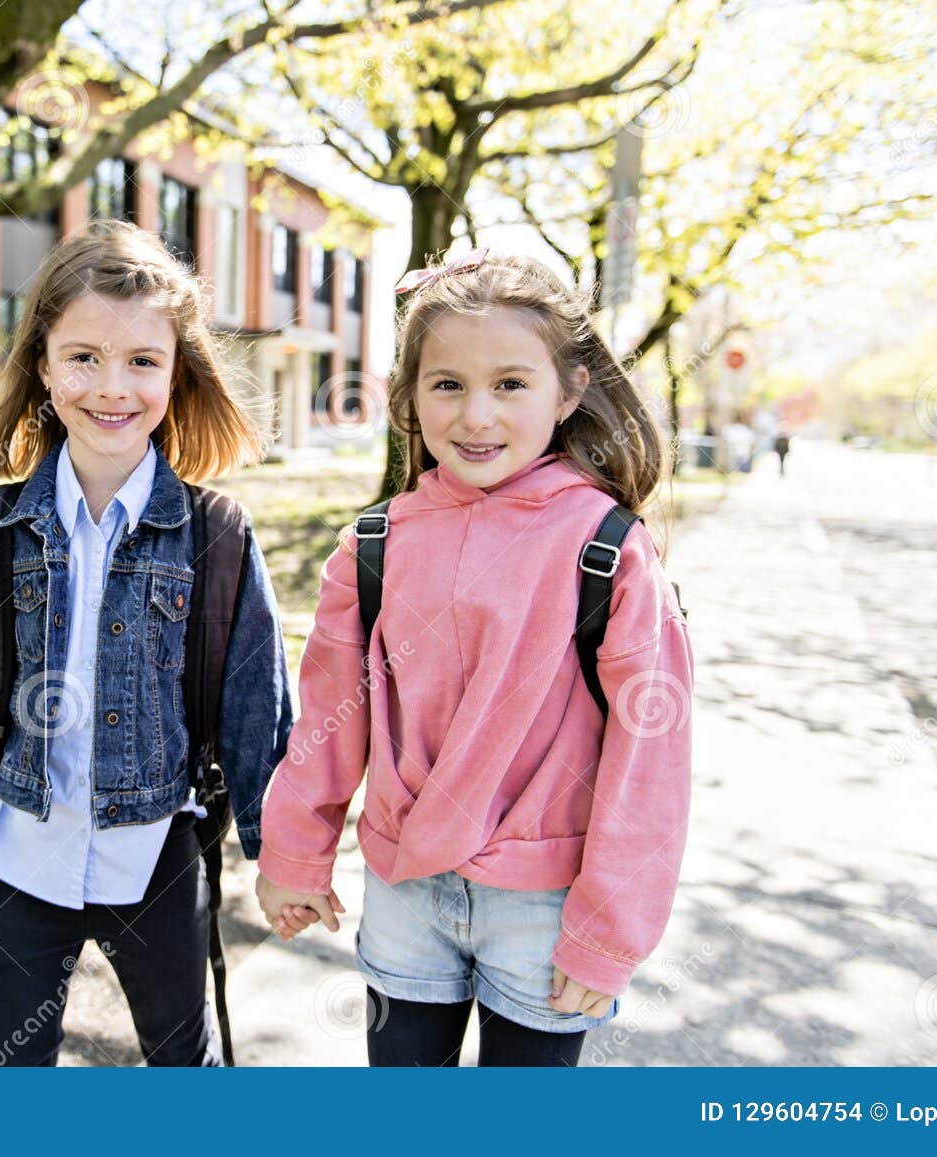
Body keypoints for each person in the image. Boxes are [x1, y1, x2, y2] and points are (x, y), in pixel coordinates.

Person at [255, 250, 693, 1067]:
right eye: (447, 383)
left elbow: (651, 760)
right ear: (410, 399)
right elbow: (327, 720)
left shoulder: (607, 551)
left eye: (511, 384)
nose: (476, 413)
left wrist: (609, 928)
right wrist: (296, 852)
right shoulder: (375, 545)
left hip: (546, 906)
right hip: (404, 893)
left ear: (568, 393)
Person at [0, 220, 293, 1066]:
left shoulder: (217, 535)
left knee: (188, 1065)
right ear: (42, 364)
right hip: (21, 860)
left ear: (177, 372)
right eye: (83, 357)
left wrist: (279, 851)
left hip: (155, 858)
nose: (112, 386)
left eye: (143, 360)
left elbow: (259, 711)